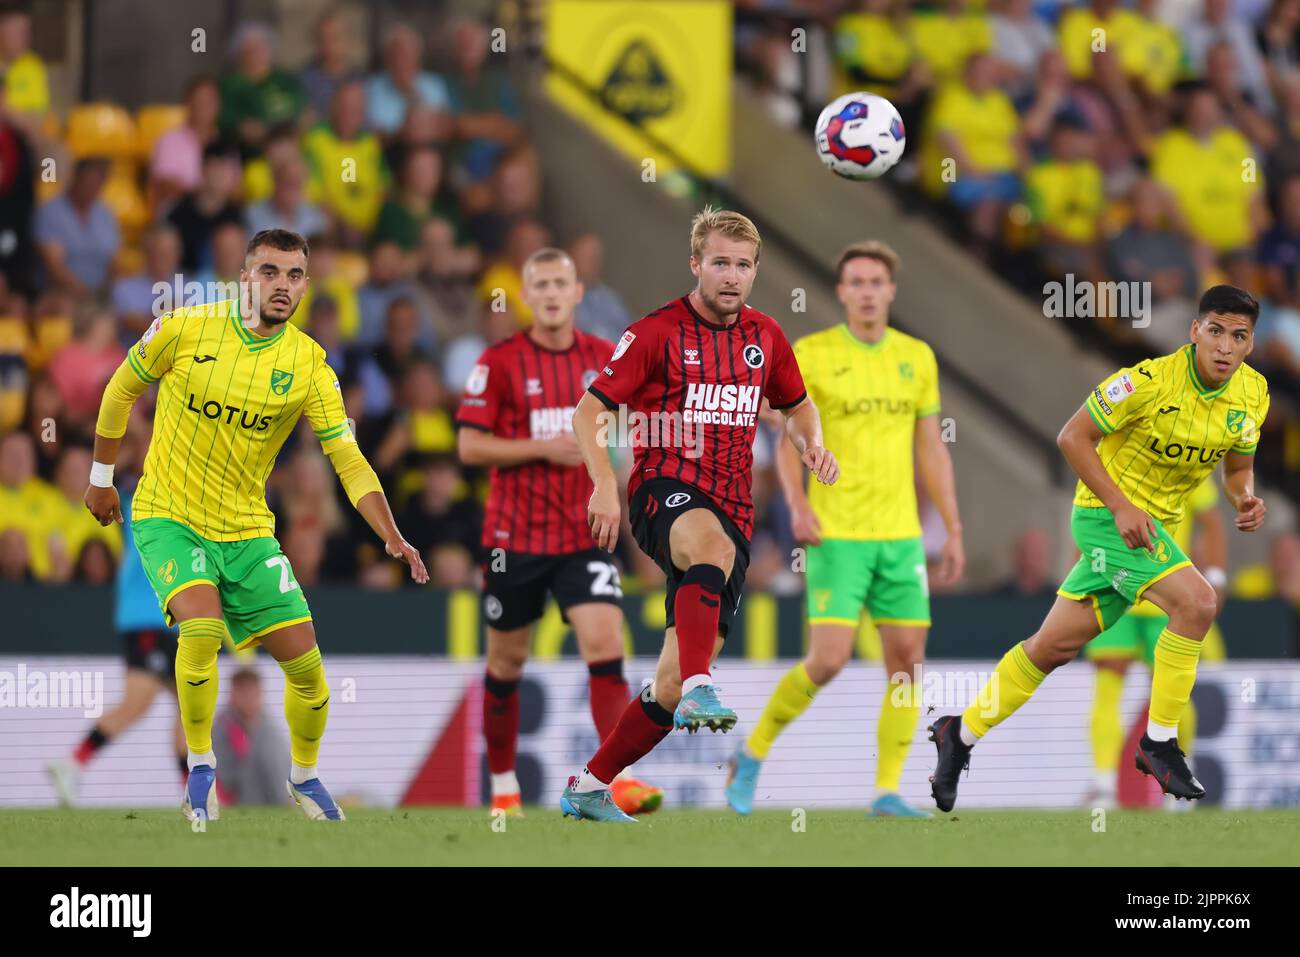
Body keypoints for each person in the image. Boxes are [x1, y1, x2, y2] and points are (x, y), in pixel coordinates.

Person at [83, 228, 429, 824]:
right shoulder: (186, 327)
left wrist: (390, 534)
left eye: (295, 276)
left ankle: (305, 777)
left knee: (309, 671)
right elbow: (121, 388)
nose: (283, 286)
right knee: (200, 631)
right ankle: (199, 769)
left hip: (246, 530)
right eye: (270, 272)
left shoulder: (310, 365)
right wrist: (99, 476)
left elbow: (346, 458)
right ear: (245, 277)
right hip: (168, 514)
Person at [929, 286, 1270, 811]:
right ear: (1195, 332)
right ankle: (1158, 744)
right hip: (1104, 521)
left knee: (1051, 648)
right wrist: (1119, 506)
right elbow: (1071, 436)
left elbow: (1238, 469)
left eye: (1239, 336)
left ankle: (960, 733)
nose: (1225, 346)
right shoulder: (1145, 382)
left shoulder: (1253, 395)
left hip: (1153, 535)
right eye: (1216, 331)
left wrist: (1244, 498)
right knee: (1198, 603)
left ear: (1250, 344)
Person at [558, 206, 839, 822]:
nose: (731, 276)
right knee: (710, 559)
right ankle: (700, 684)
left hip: (734, 510)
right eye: (720, 263)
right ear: (696, 265)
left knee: (665, 686)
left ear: (755, 271)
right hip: (664, 488)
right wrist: (604, 482)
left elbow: (797, 407)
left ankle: (589, 783)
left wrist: (809, 443)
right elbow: (588, 412)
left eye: (742, 265)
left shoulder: (766, 338)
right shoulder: (655, 332)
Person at [726, 240, 964, 819]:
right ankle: (752, 755)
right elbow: (790, 437)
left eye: (875, 282)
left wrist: (952, 529)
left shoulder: (917, 358)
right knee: (828, 660)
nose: (865, 291)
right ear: (840, 291)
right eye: (855, 281)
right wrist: (797, 507)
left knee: (908, 664)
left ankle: (885, 792)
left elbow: (931, 449)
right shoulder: (812, 353)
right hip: (837, 534)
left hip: (901, 537)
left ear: (890, 291)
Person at [456, 246, 661, 817]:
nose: (549, 293)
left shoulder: (603, 360)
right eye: (539, 284)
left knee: (605, 646)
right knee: (506, 665)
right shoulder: (498, 363)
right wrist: (542, 447)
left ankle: (611, 782)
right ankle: (502, 786)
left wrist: (637, 522)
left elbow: (624, 446)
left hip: (583, 537)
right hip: (512, 541)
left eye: (559, 284)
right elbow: (469, 445)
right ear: (526, 296)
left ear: (577, 294)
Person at [47, 419, 187, 804]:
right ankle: (73, 762)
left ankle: (191, 789)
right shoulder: (134, 490)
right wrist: (140, 429)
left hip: (162, 616)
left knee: (188, 701)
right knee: (142, 700)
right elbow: (122, 458)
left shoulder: (166, 492)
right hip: (146, 613)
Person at [1083, 477, 1226, 810]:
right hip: (1143, 591)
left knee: (1161, 691)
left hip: (1149, 593)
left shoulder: (1171, 459)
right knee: (1148, 690)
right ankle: (1110, 786)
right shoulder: (1172, 453)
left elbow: (1211, 522)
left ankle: (1124, 787)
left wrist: (1215, 579)